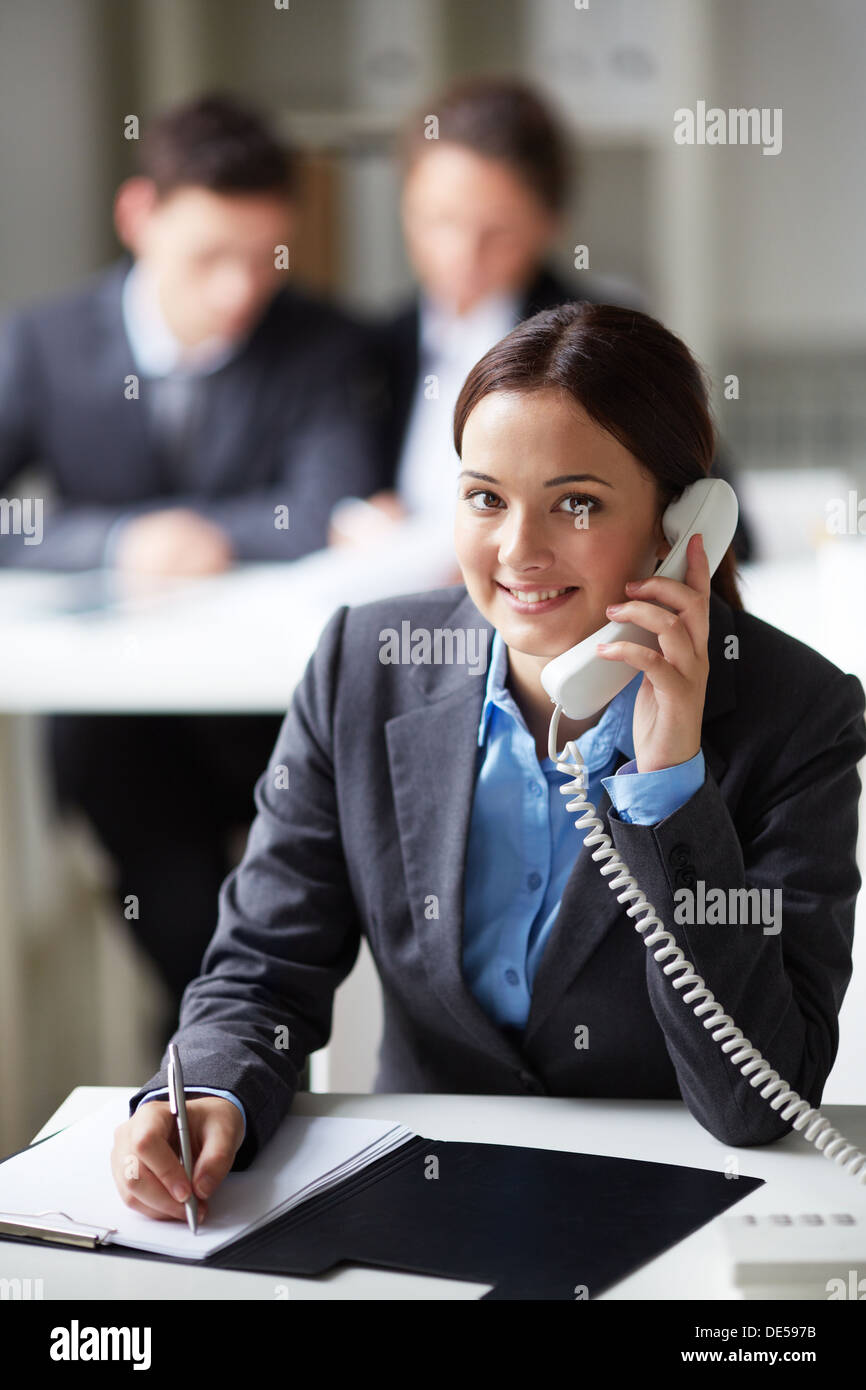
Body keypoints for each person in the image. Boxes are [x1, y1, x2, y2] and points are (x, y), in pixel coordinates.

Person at [111, 302, 864, 1223]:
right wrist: (206, 1095)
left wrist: (669, 787)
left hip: (669, 1212)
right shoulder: (365, 666)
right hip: (420, 1198)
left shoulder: (802, 719)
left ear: (681, 527)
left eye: (575, 503)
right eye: (485, 498)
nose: (518, 551)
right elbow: (265, 964)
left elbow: (757, 1105)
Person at [0, 93, 383, 1027]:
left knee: (299, 913)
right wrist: (115, 541)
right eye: (209, 257)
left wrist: (207, 537)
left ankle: (227, 1068)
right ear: (140, 218)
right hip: (118, 726)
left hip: (272, 719)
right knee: (190, 940)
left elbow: (333, 503)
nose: (237, 290)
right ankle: (211, 1069)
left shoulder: (323, 342)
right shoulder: (43, 343)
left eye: (262, 258)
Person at [332, 75, 754, 564]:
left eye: (496, 230)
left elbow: (722, 529)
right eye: (439, 220)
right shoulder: (374, 344)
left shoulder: (606, 346)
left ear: (549, 224)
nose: (461, 255)